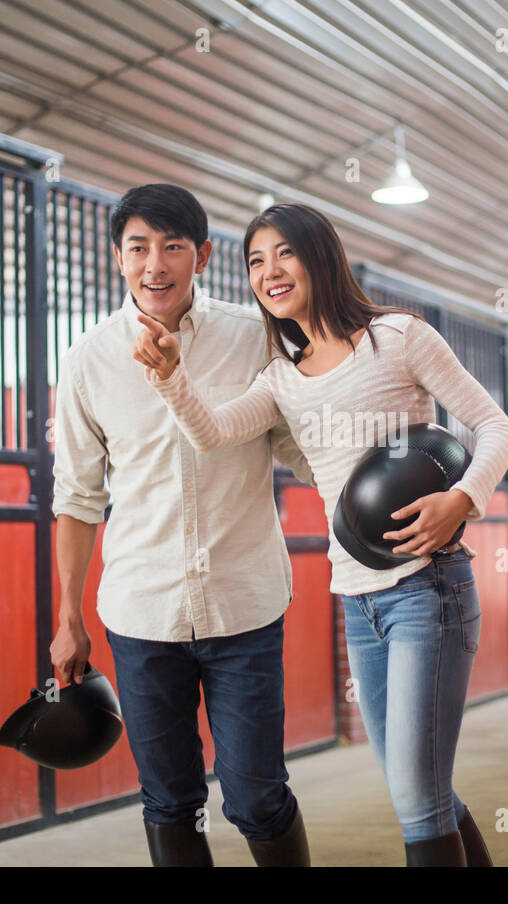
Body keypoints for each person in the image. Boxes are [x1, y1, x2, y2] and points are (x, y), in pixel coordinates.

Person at [133, 203, 508, 866]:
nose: (269, 272)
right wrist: (170, 377)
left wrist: (462, 500)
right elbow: (213, 432)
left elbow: (497, 427)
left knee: (417, 800)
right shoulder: (284, 377)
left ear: (320, 257)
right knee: (422, 787)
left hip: (428, 588)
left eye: (284, 253)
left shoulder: (397, 338)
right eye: (255, 261)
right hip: (359, 601)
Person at [51, 184, 317, 867]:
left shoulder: (251, 335)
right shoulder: (87, 360)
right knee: (168, 799)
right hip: (142, 614)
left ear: (200, 255)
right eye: (138, 247)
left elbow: (299, 446)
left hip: (244, 606)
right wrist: (68, 617)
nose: (155, 264)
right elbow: (79, 499)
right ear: (117, 258)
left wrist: (375, 441)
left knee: (256, 794)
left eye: (172, 247)